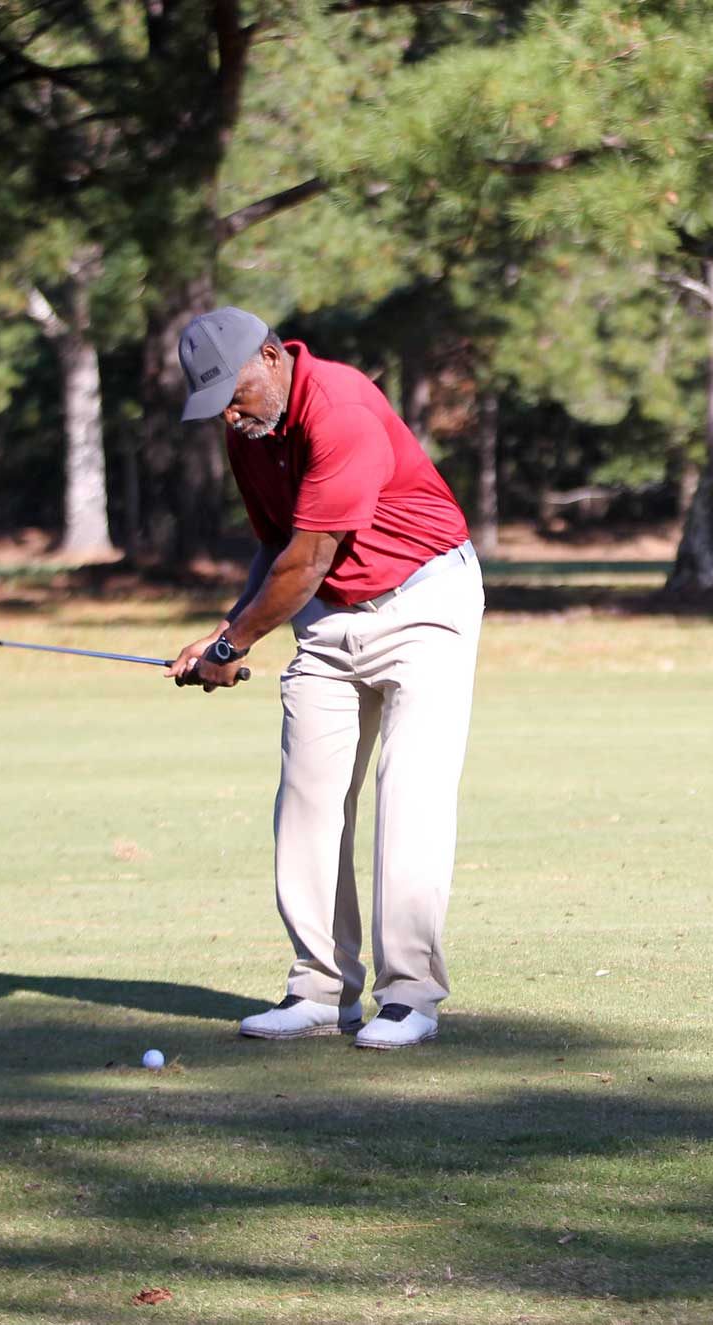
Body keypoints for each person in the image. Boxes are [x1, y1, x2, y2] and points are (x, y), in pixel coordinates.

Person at [167, 307, 484, 1051]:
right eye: (216, 404)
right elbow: (276, 545)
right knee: (307, 799)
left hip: (424, 604)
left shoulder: (338, 407)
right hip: (328, 617)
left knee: (408, 795)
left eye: (235, 395)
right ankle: (320, 987)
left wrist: (230, 641)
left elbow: (309, 557)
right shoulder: (248, 430)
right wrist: (226, 632)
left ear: (273, 357)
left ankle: (409, 995)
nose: (231, 415)